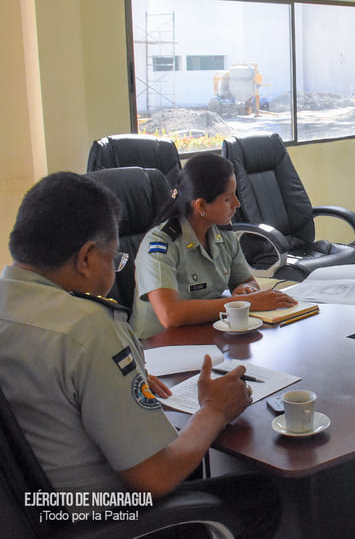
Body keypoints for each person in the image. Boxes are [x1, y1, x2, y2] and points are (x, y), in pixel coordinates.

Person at [0, 172, 279, 537]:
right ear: (86, 258)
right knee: (261, 495)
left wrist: (104, 380)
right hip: (97, 516)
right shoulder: (89, 328)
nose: (114, 269)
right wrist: (215, 409)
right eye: (113, 259)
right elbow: (155, 477)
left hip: (31, 511)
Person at [131, 153, 295, 338]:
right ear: (201, 206)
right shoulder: (160, 245)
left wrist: (246, 290)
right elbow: (171, 314)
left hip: (205, 335)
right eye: (228, 199)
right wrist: (250, 302)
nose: (237, 204)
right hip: (158, 347)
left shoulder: (223, 236)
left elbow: (245, 281)